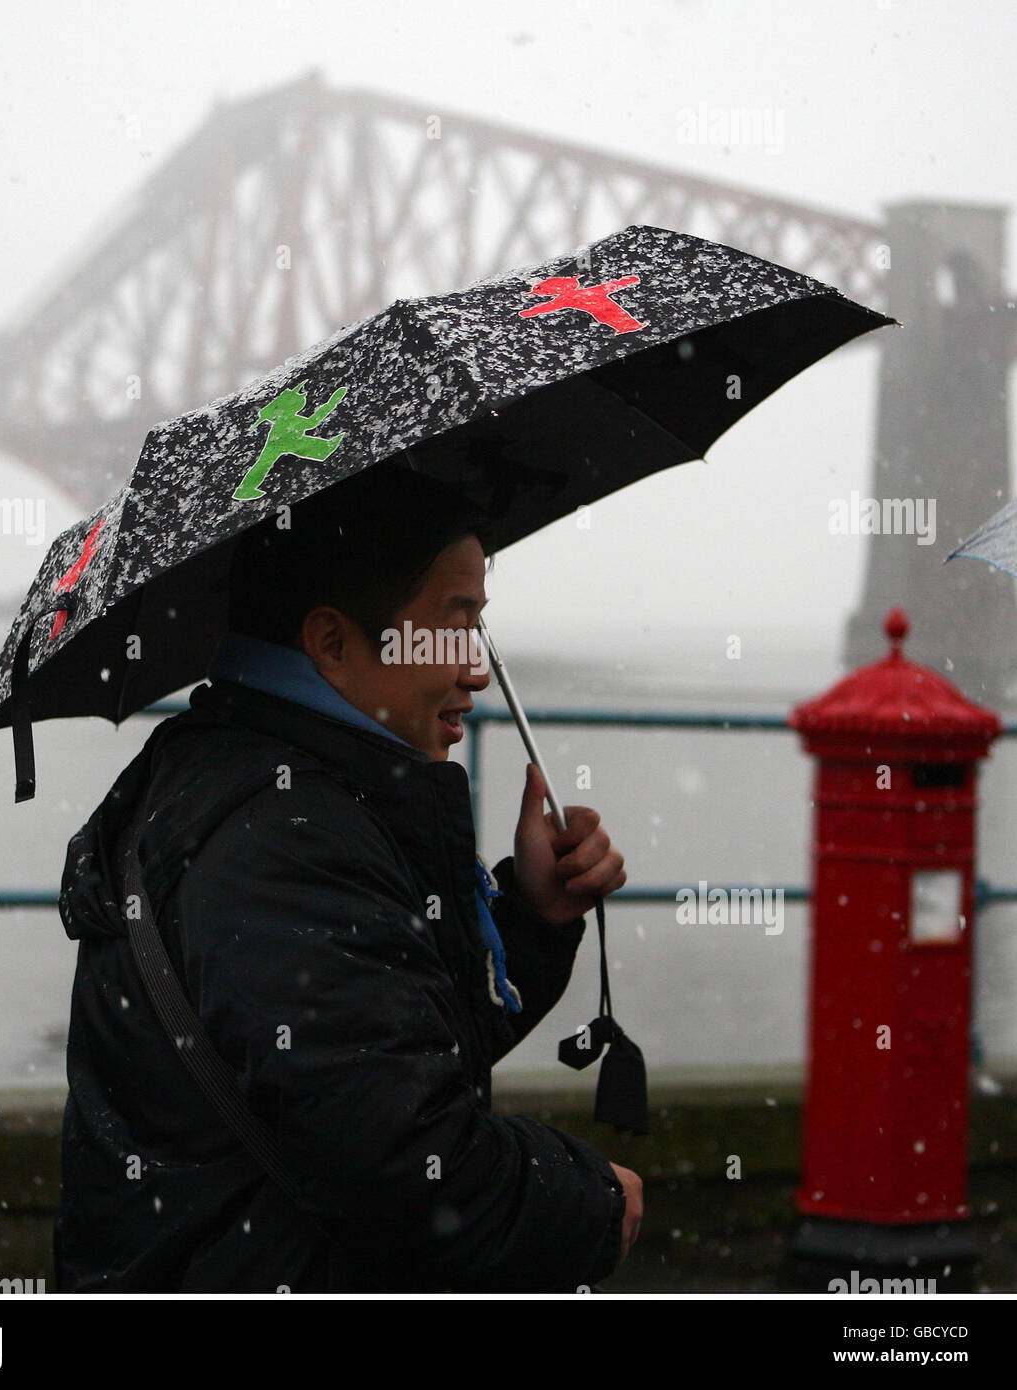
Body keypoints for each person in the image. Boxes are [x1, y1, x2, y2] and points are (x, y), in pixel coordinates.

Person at [53, 464, 643, 1292]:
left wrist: (531, 919)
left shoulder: (254, 778)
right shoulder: (284, 839)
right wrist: (586, 1203)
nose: (475, 668)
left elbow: (383, 1044)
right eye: (454, 622)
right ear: (331, 643)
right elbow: (398, 1158)